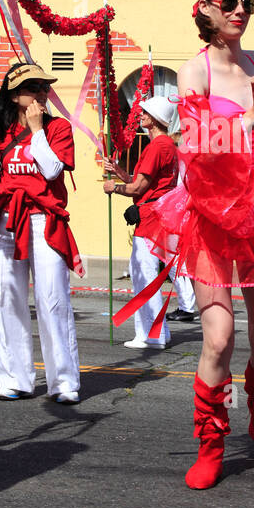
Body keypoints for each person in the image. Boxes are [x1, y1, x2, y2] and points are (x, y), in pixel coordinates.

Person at [135, 0, 254, 490]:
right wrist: (253, 115)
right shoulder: (194, 72)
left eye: (249, 3)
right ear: (206, 9)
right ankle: (211, 444)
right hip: (213, 216)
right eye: (230, 1)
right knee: (219, 338)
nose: (241, 10)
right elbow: (195, 146)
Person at [0, 61, 82, 403]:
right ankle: (15, 378)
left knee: (52, 300)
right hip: (7, 220)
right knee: (6, 298)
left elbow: (52, 169)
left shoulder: (58, 128)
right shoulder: (0, 131)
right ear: (14, 95)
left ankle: (64, 382)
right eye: (32, 87)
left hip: (44, 220)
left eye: (44, 87)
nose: (41, 92)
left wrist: (38, 129)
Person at [104, 94, 183, 349]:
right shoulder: (168, 146)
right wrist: (119, 172)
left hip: (150, 220)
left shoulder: (156, 147)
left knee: (144, 276)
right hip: (160, 216)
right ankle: (161, 332)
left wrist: (113, 187)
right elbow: (144, 184)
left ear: (156, 119)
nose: (141, 115)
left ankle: (152, 335)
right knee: (149, 275)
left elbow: (139, 187)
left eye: (145, 113)